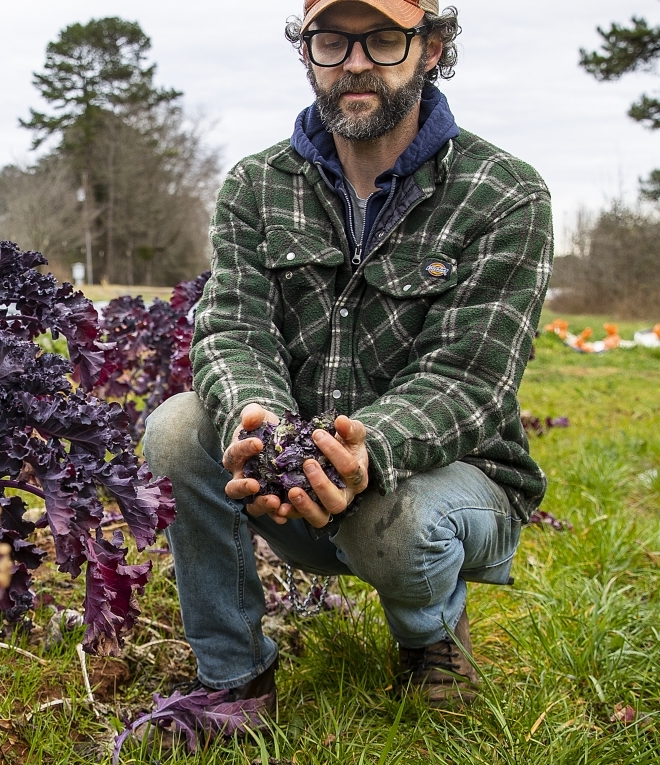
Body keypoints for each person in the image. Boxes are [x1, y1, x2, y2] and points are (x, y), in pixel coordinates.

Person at [142, 0, 553, 710]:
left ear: (429, 49)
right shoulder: (256, 186)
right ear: (307, 53)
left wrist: (368, 450)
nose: (356, 62)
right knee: (177, 428)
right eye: (333, 40)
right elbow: (233, 329)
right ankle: (233, 678)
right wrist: (255, 423)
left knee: (392, 515)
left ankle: (431, 642)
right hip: (296, 478)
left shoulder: (504, 194)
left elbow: (470, 378)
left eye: (384, 40)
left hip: (449, 486)